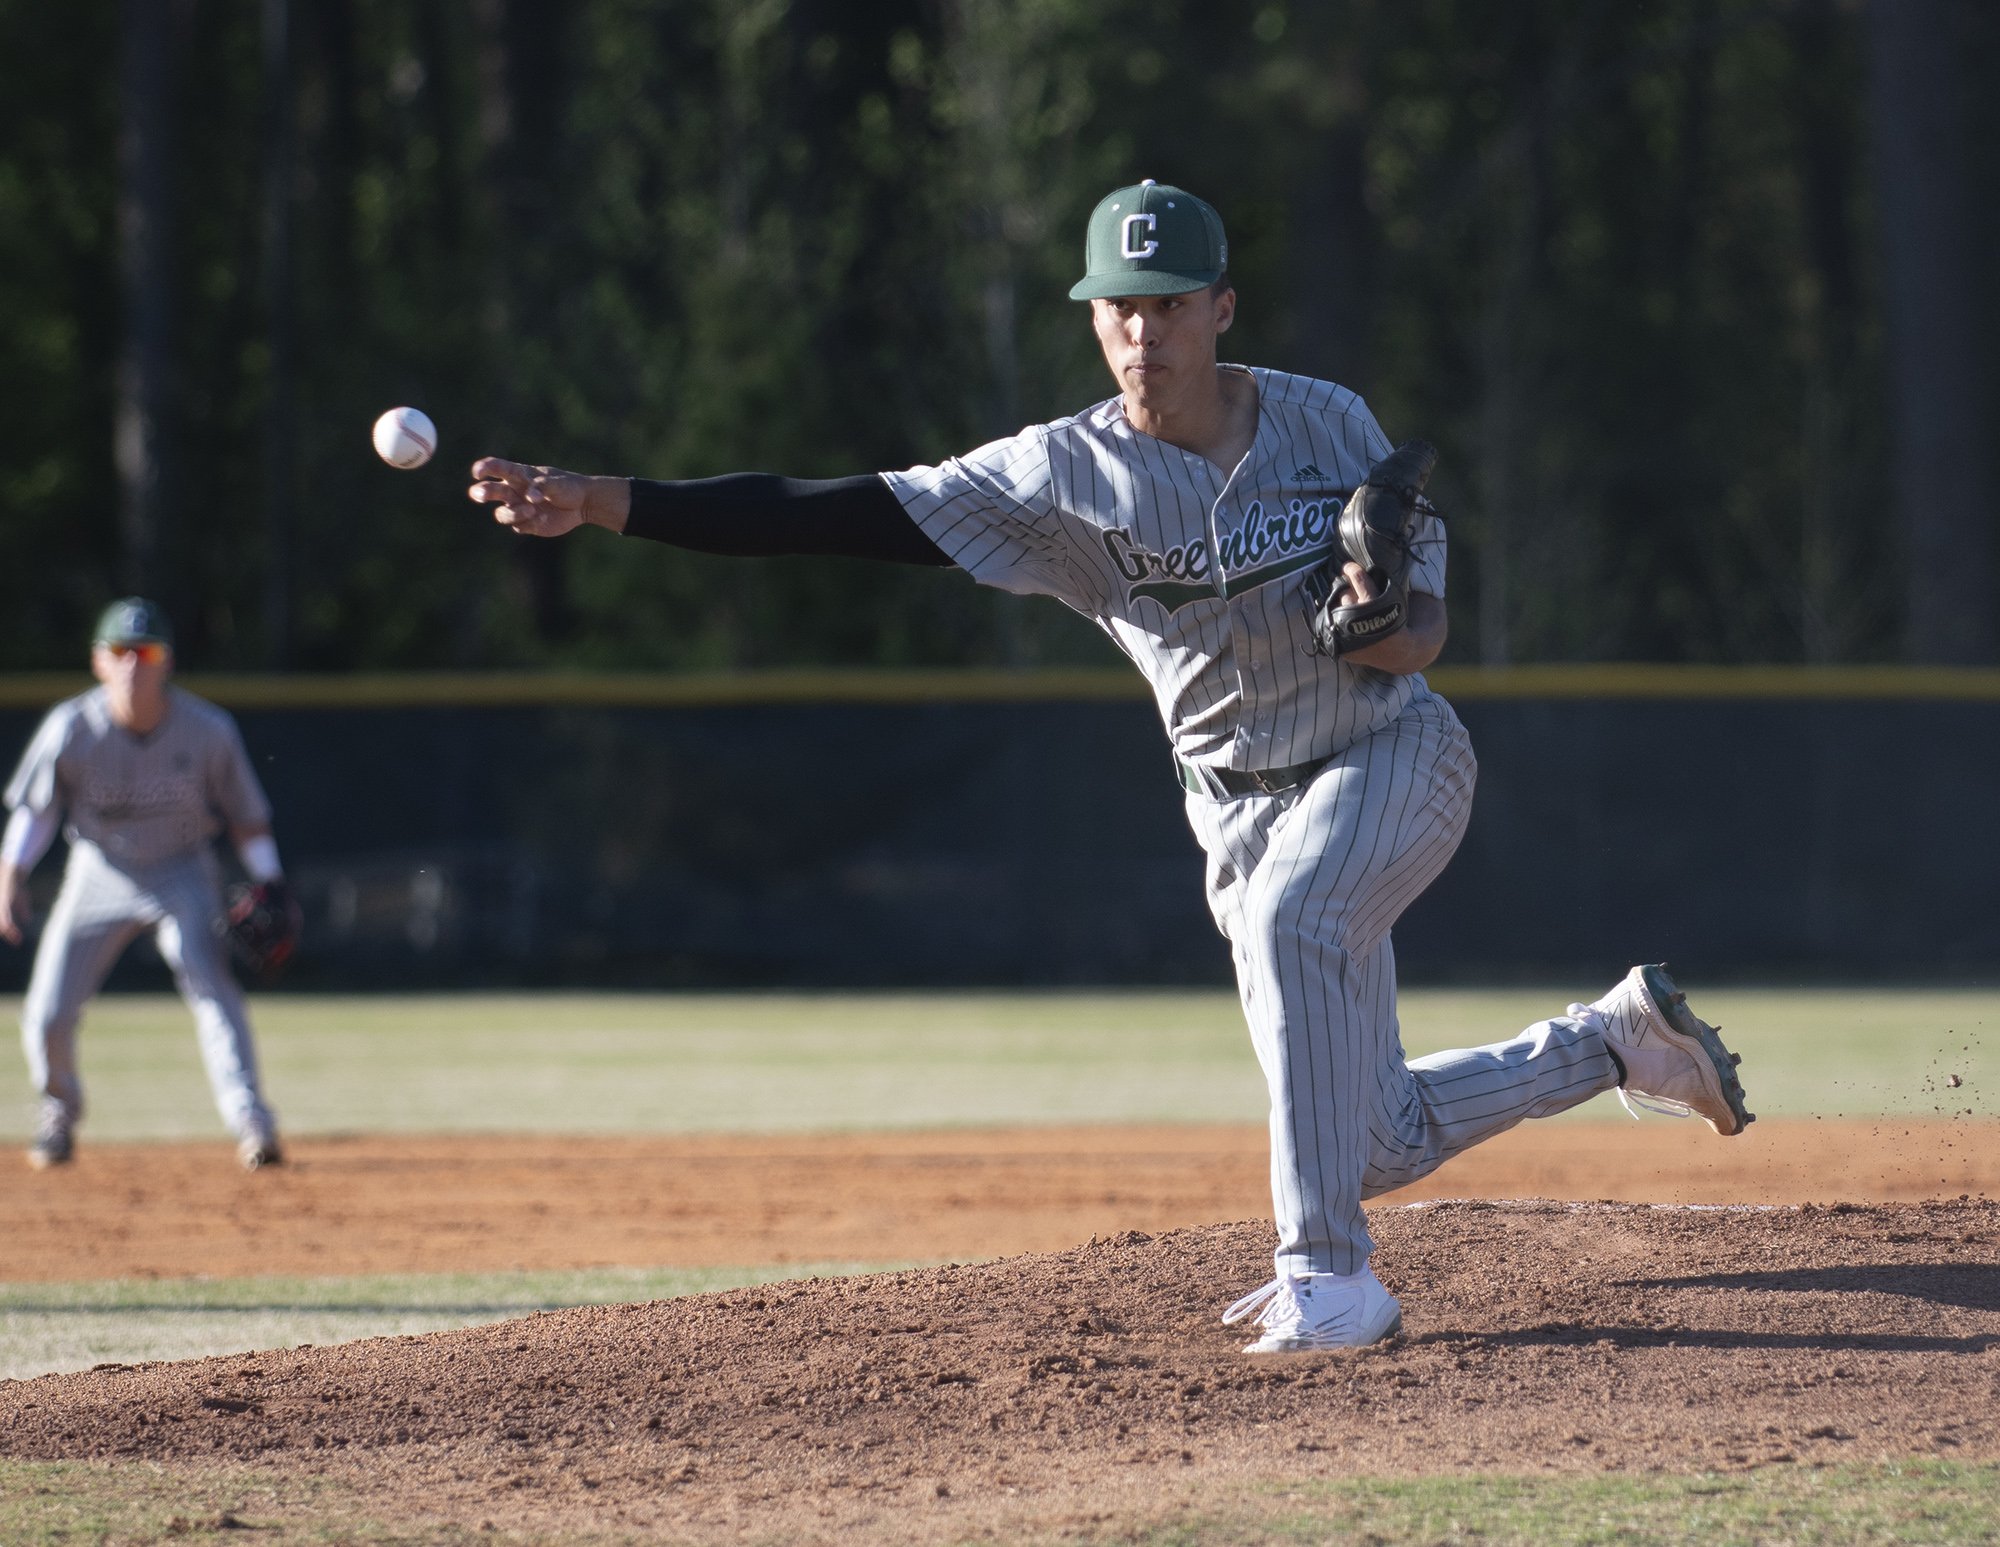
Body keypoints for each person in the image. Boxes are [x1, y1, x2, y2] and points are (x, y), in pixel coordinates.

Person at [467, 180, 1753, 1352]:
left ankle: (1328, 1280)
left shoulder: (1328, 424)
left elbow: (1421, 634)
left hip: (1390, 755)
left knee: (1307, 923)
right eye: (1118, 308)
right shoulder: (1055, 475)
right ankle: (1611, 1042)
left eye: (1169, 304)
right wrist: (608, 499)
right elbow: (838, 510)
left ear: (1220, 308)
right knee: (1365, 1136)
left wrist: (1387, 619)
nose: (1142, 333)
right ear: (1094, 324)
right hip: (1236, 818)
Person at [1, 598, 288, 1172]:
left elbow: (246, 817)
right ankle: (58, 1112)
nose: (134, 664)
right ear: (99, 663)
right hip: (99, 871)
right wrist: (9, 877)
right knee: (49, 1010)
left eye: (147, 652)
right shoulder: (72, 728)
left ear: (168, 663)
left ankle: (251, 1123)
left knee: (209, 985)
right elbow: (36, 813)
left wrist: (271, 882)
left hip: (184, 869)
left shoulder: (207, 730)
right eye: (120, 652)